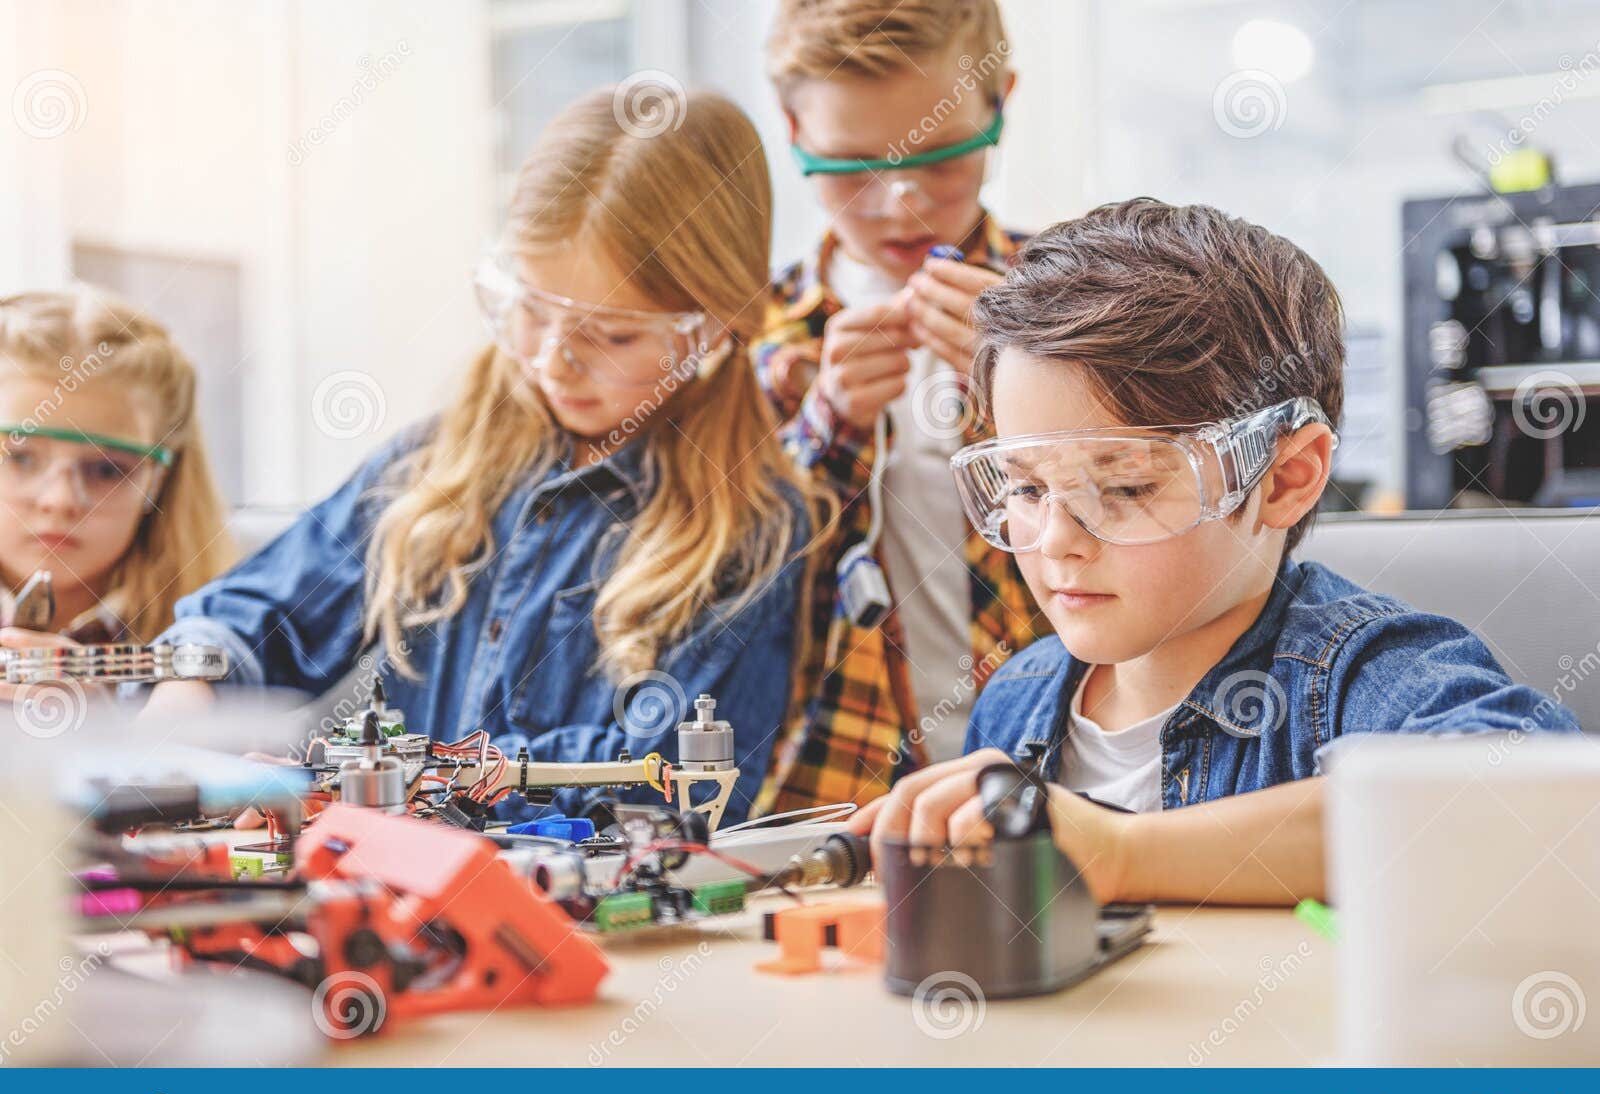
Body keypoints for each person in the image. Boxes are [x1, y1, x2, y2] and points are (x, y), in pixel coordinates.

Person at [852, 199, 1580, 903]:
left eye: (1127, 489)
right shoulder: (1015, 698)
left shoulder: (1358, 676)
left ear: (1285, 480)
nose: (1058, 543)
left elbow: (1529, 799)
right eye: (1025, 488)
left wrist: (1121, 852)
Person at [147, 89, 824, 825]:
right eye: (531, 309)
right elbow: (253, 617)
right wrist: (185, 695)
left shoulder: (747, 530)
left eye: (613, 336)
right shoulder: (440, 462)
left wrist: (382, 787)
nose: (552, 360)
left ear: (714, 326)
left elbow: (671, 787)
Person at [754, 0, 1047, 814]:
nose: (899, 203)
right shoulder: (738, 340)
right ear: (792, 131)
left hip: (1065, 790)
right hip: (825, 808)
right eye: (851, 167)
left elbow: (1166, 536)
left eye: (942, 157)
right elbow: (720, 605)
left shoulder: (1091, 308)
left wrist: (1040, 383)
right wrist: (827, 430)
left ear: (1001, 106)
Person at [0, 287, 233, 701]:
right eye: (18, 456)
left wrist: (117, 740)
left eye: (107, 469)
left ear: (160, 480)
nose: (59, 499)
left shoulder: (230, 646)